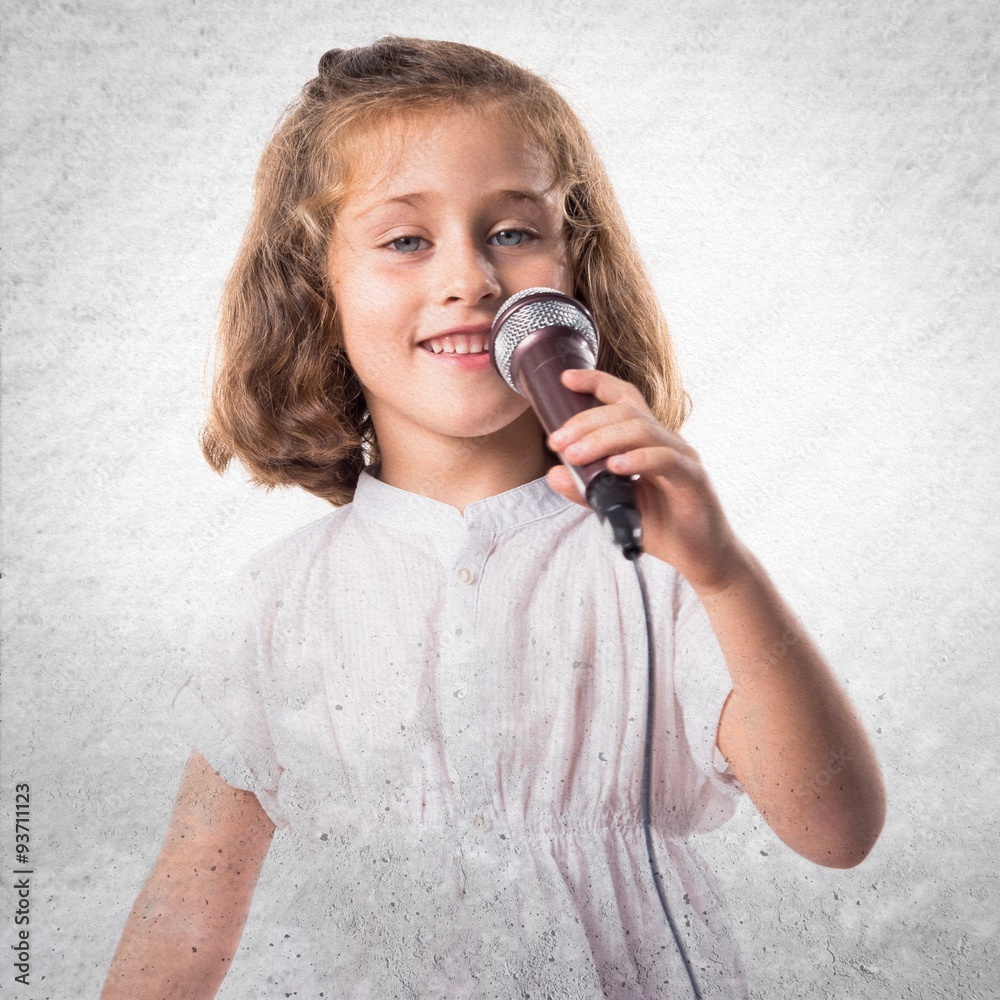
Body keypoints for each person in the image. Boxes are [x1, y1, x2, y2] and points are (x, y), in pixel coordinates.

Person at [100, 36, 885, 1000]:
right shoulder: (279, 603)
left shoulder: (665, 568)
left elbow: (837, 829)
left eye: (512, 231)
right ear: (319, 289)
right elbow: (187, 914)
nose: (468, 276)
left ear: (575, 269)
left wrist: (725, 575)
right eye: (405, 240)